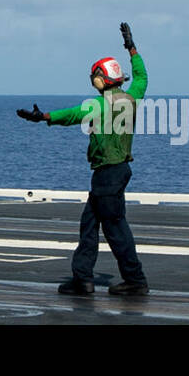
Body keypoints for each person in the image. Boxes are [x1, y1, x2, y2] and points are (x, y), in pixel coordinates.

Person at [16, 21, 150, 296]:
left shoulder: (98, 105)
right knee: (89, 223)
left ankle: (135, 281)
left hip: (107, 174)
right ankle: (83, 279)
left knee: (115, 229)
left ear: (100, 80)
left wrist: (43, 117)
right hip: (119, 171)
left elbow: (72, 115)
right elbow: (142, 78)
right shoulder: (131, 97)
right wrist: (132, 47)